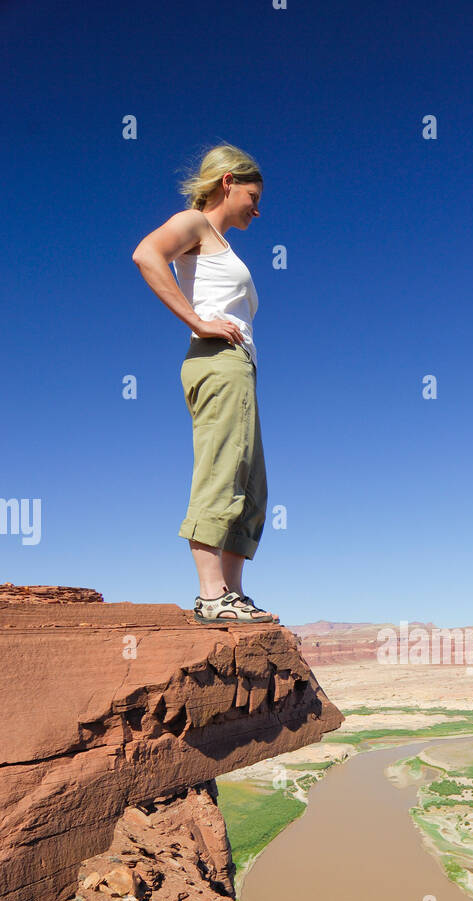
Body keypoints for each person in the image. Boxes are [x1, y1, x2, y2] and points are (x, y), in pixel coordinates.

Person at [132, 143, 279, 624]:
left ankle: (232, 593)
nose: (258, 209)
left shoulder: (223, 242)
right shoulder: (194, 223)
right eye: (252, 197)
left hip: (240, 366)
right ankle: (211, 594)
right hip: (217, 360)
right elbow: (146, 254)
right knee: (222, 466)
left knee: (249, 478)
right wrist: (197, 320)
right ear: (227, 182)